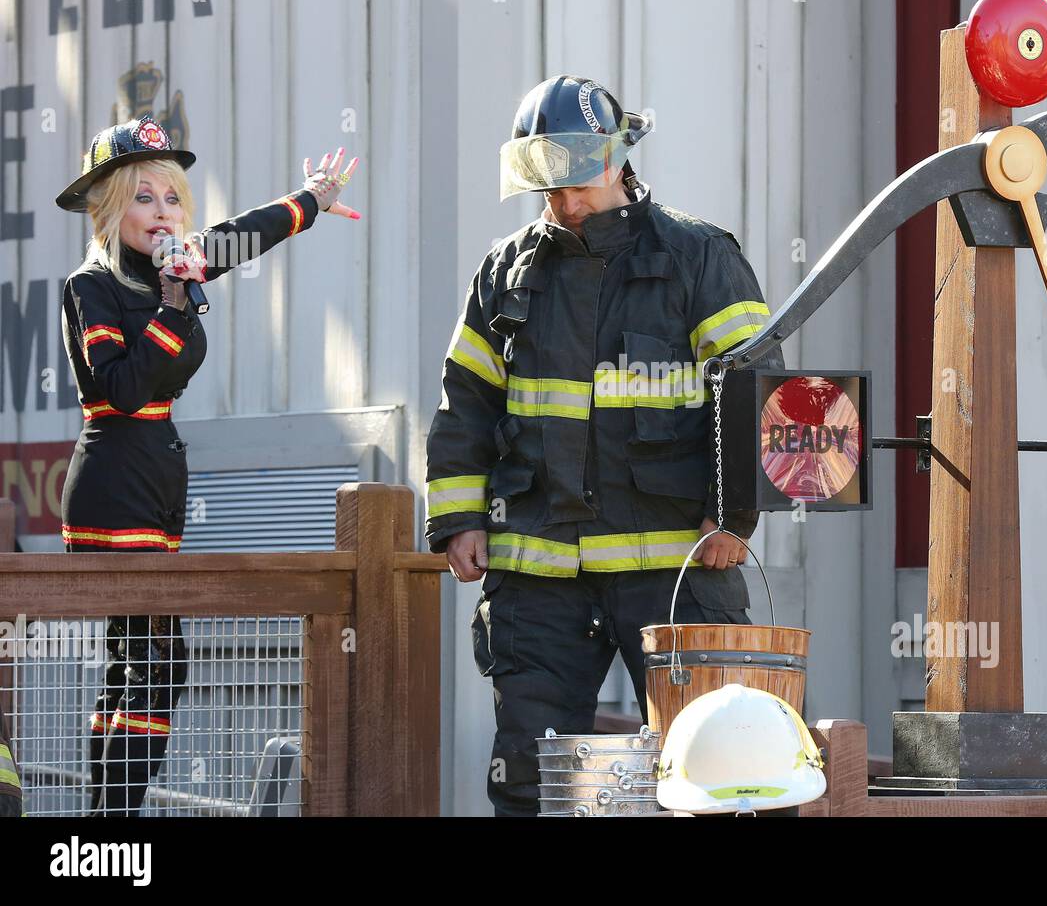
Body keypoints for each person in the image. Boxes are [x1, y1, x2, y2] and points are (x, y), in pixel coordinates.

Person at [424, 75, 784, 815]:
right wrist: (458, 519)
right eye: (548, 186)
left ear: (620, 157)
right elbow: (466, 399)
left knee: (714, 770)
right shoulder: (506, 270)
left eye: (577, 180)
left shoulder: (699, 257)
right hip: (538, 573)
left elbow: (754, 394)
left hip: (678, 565)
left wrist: (734, 516)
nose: (564, 200)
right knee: (533, 778)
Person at [55, 114, 361, 815]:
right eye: (142, 197)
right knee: (153, 666)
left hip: (156, 482)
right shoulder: (90, 286)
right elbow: (124, 391)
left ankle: (109, 818)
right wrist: (173, 303)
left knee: (142, 669)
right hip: (113, 485)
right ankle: (114, 822)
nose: (162, 213)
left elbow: (243, 235)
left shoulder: (178, 263)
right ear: (107, 207)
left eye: (171, 197)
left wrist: (311, 199)